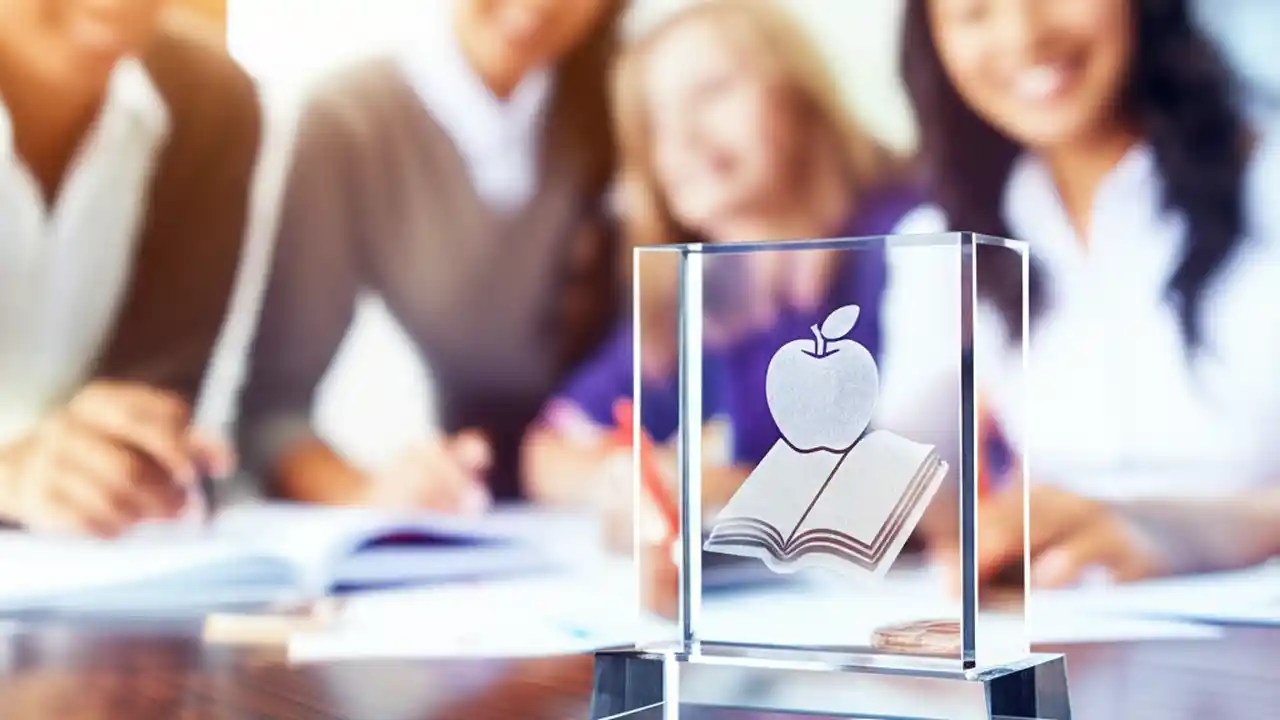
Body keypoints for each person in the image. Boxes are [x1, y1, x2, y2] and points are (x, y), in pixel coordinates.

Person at [889, 0, 1280, 587]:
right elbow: (908, 485)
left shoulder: (1266, 183)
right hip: (1079, 642)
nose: (1025, 36)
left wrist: (1184, 532)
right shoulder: (945, 246)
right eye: (973, 11)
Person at [521, 0, 917, 509]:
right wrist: (630, 479)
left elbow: (929, 473)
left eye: (712, 92)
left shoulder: (909, 239)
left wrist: (717, 489)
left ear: (796, 92)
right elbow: (549, 451)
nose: (683, 138)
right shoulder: (698, 301)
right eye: (657, 123)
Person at [237, 0, 624, 512]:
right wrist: (371, 496)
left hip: (609, 489)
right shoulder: (349, 120)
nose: (539, 7)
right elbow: (272, 412)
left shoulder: (623, 104)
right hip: (473, 503)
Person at [0, 1, 259, 536]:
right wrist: (12, 472)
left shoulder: (209, 105)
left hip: (80, 567)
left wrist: (143, 460)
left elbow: (157, 391)